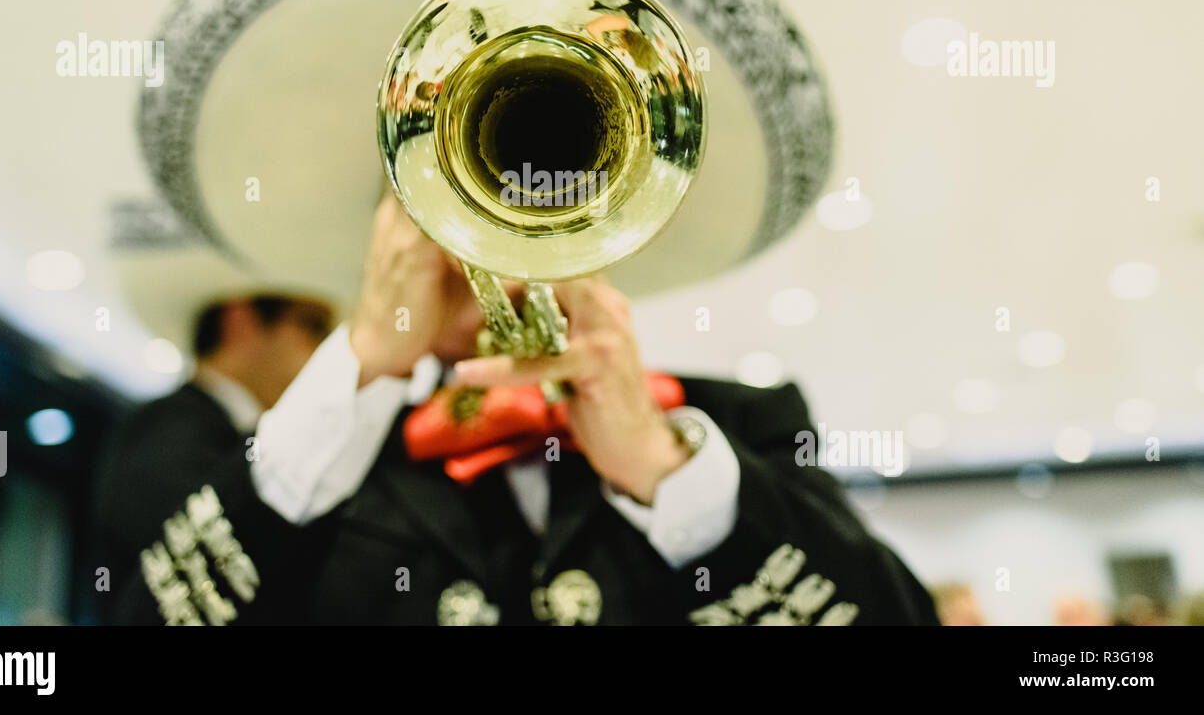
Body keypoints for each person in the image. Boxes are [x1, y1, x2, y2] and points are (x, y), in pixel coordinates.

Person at [103, 196, 939, 626]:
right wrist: (363, 361)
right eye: (460, 213)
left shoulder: (733, 422)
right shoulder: (322, 455)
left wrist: (661, 468)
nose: (498, 248)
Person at [92, 293, 334, 623]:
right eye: (314, 327)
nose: (322, 350)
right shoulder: (167, 428)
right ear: (241, 322)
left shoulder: (202, 429)